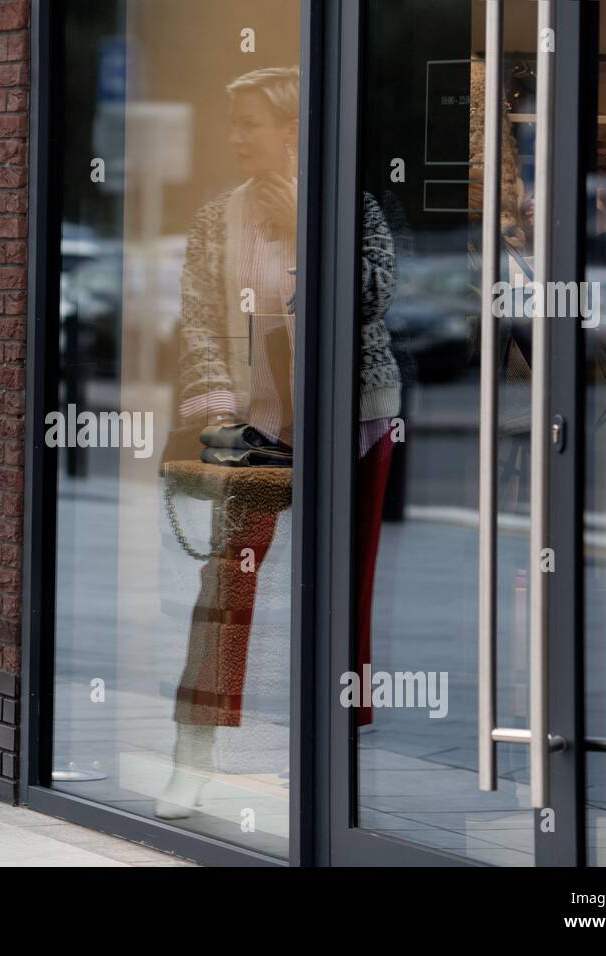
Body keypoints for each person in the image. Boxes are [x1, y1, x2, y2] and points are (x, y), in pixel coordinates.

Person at [158, 66, 402, 818]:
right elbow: (196, 317)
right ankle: (192, 758)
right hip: (256, 434)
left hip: (351, 425)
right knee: (226, 591)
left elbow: (372, 300)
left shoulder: (349, 206)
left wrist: (308, 228)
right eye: (232, 124)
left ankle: (333, 763)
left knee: (344, 594)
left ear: (292, 130)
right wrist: (221, 413)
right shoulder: (214, 217)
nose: (235, 138)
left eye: (249, 124)